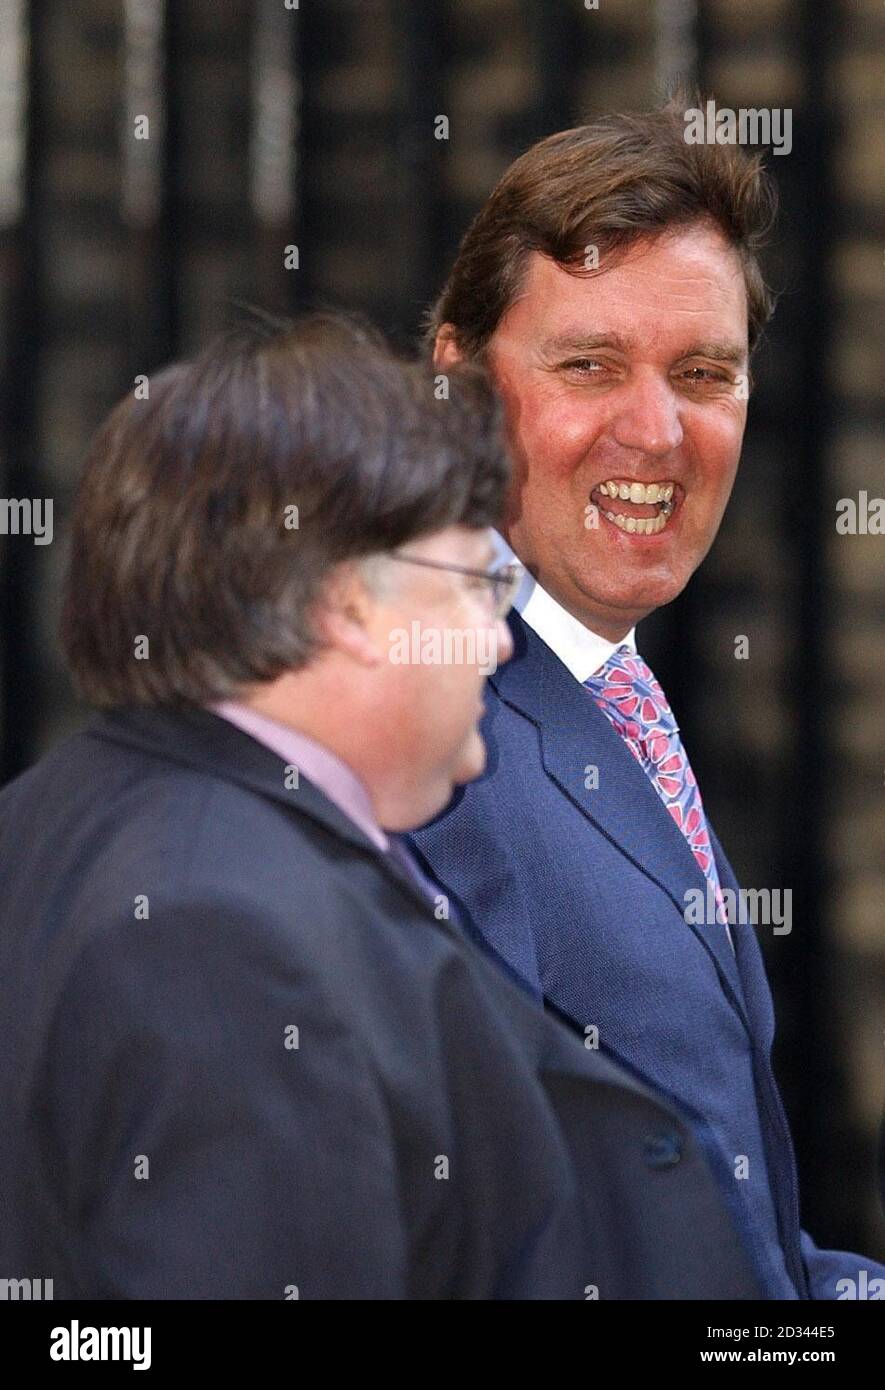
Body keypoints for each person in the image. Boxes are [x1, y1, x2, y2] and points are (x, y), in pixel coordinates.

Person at [0, 314, 766, 1299]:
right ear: (348, 607)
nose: (498, 641)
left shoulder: (65, 822)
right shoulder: (224, 929)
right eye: (481, 582)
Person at [407, 93, 885, 1300]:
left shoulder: (610, 685)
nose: (657, 430)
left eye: (704, 372)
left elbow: (741, 1245)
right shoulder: (429, 737)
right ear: (456, 381)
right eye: (590, 365)